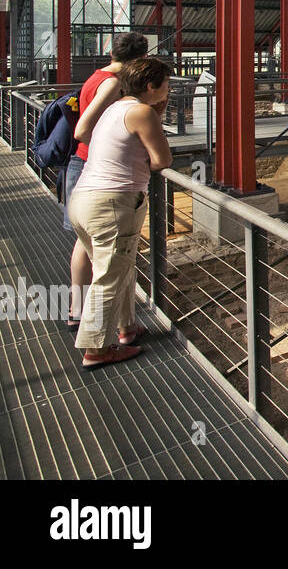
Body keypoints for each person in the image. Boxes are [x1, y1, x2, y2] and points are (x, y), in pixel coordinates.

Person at [70, 57, 173, 369]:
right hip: (113, 204)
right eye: (166, 85)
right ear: (151, 86)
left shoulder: (114, 108)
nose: (169, 90)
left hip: (84, 199)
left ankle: (126, 328)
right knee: (109, 277)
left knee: (119, 268)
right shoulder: (142, 112)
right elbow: (162, 159)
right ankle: (96, 349)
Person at [65, 31, 149, 330]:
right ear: (139, 59)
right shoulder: (113, 83)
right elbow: (84, 130)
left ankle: (87, 312)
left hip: (89, 171)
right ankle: (94, 335)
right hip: (98, 171)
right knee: (105, 263)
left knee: (89, 248)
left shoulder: (97, 76)